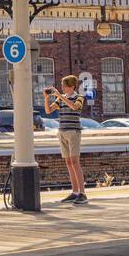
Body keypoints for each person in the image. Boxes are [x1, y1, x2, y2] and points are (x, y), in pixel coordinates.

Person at [45, 74, 88, 204]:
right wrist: (46, 98)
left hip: (73, 132)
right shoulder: (61, 98)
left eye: (64, 86)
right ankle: (74, 192)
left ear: (72, 86)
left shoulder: (79, 97)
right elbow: (48, 111)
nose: (62, 88)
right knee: (68, 162)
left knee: (75, 162)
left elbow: (75, 107)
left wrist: (59, 97)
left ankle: (82, 193)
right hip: (62, 132)